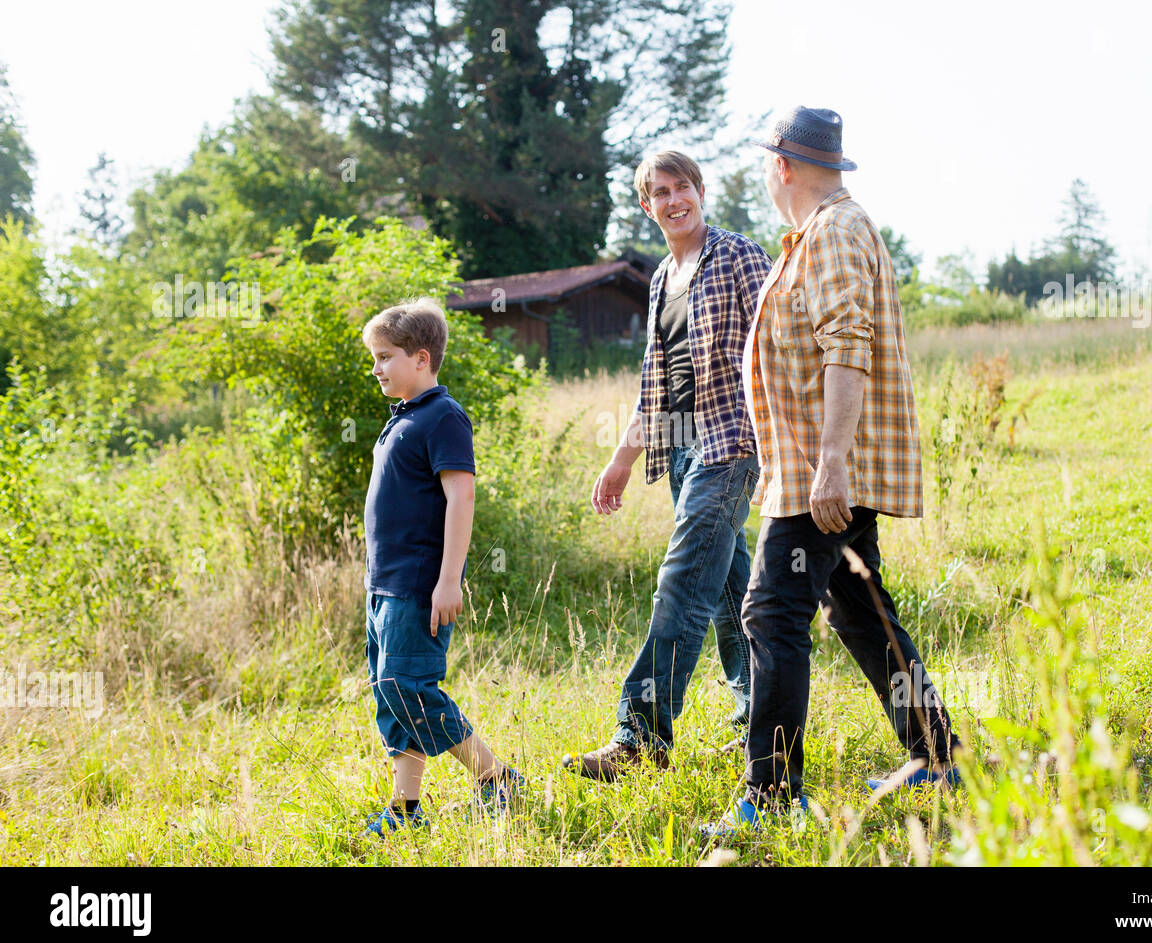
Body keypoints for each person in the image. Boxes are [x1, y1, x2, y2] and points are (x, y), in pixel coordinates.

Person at [705, 107, 963, 835]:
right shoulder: (817, 235)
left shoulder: (836, 232)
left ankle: (773, 796)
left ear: (781, 165)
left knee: (771, 614)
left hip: (821, 474)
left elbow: (849, 346)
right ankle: (936, 753)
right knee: (858, 606)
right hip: (813, 468)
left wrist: (830, 466)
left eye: (765, 161)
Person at [562, 151, 773, 780]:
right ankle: (763, 730)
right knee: (734, 596)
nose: (674, 199)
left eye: (683, 187)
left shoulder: (738, 256)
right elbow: (655, 383)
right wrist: (622, 460)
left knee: (681, 582)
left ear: (701, 191)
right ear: (646, 204)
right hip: (681, 453)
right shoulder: (660, 279)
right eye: (660, 191)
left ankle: (641, 736)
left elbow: (783, 344)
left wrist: (795, 449)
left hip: (732, 444)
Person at [359, 297, 523, 836]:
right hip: (383, 587)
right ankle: (406, 810)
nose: (377, 368)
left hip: (418, 585)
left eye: (385, 357)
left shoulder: (443, 417)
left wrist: (449, 579)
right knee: (391, 693)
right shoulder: (401, 420)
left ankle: (496, 776)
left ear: (421, 358)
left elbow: (462, 499)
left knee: (408, 685)